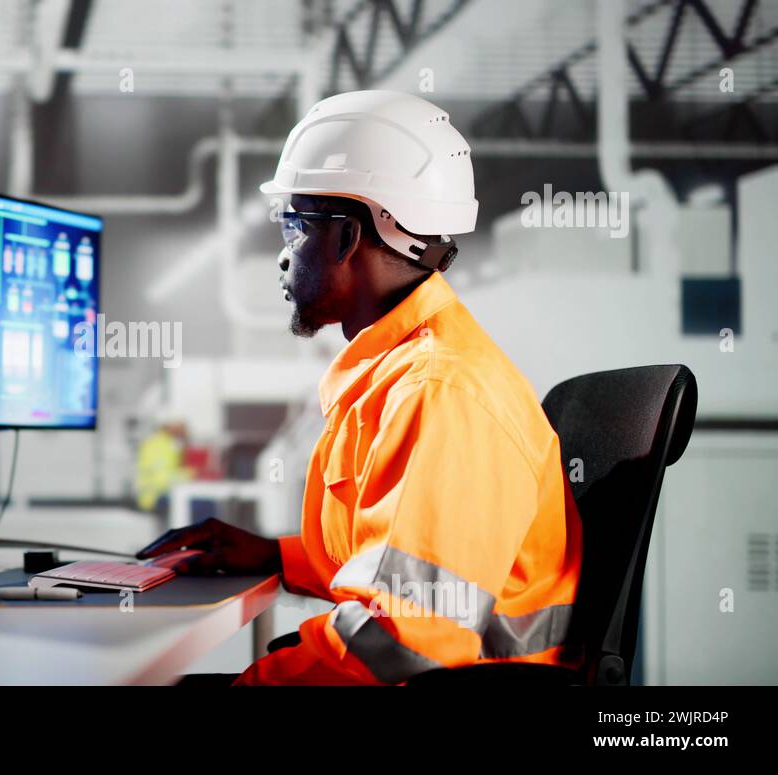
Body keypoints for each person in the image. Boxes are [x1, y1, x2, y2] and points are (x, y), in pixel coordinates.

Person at [138, 91, 583, 685]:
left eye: (295, 225)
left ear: (347, 237)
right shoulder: (398, 375)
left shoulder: (440, 391)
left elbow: (400, 640)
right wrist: (276, 555)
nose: (280, 257)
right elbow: (393, 563)